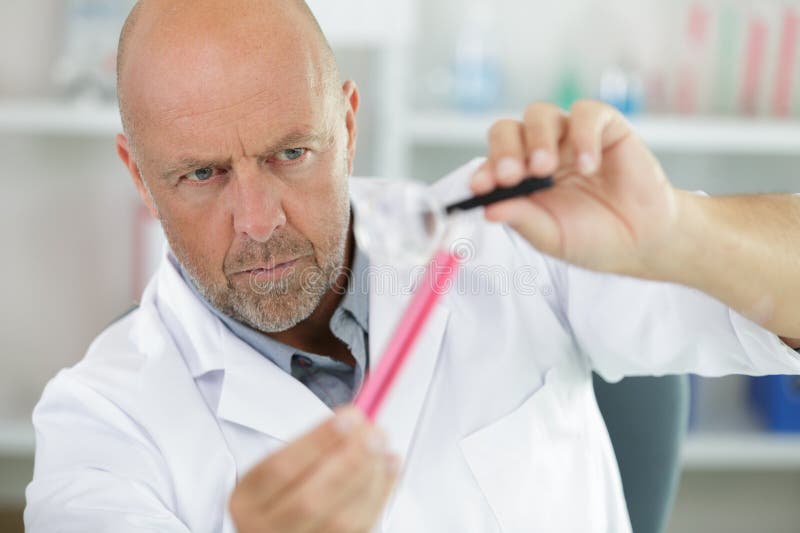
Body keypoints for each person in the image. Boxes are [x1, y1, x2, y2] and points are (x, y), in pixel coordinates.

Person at [25, 1, 800, 532]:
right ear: (138, 174)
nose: (259, 222)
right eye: (202, 175)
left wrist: (677, 231)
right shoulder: (100, 422)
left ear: (348, 123)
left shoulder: (515, 232)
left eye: (291, 153)